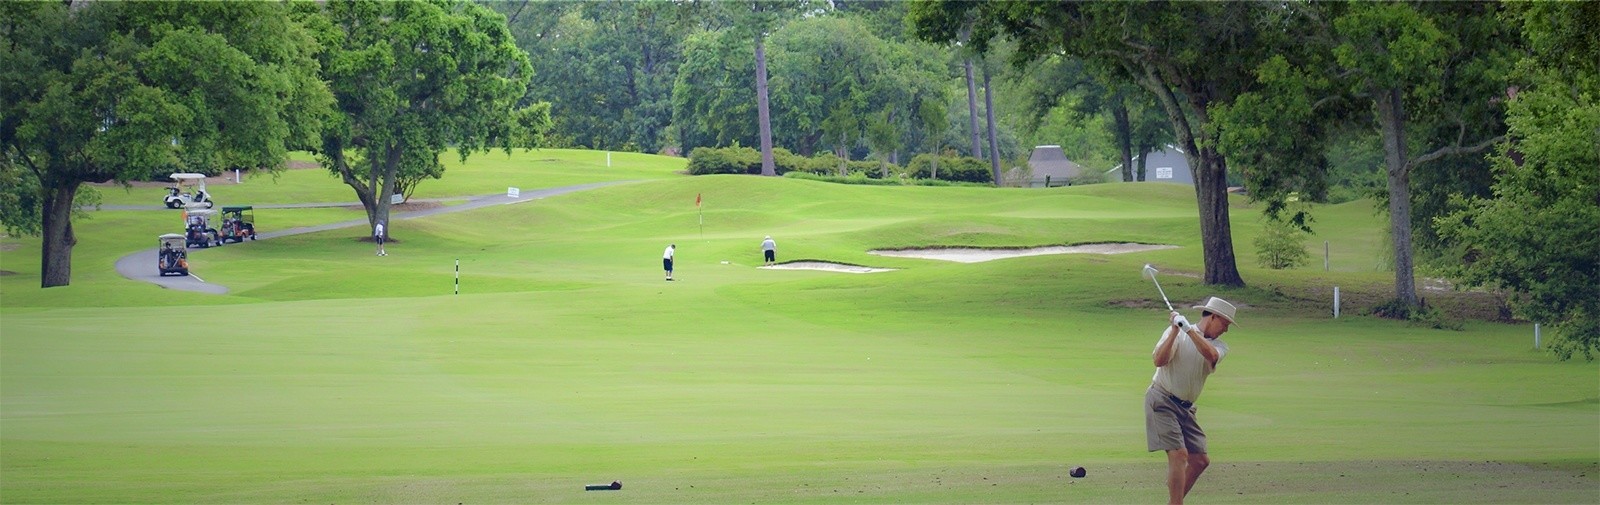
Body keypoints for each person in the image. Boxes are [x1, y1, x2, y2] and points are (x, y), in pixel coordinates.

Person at [1146, 296, 1236, 505]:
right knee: (1179, 454)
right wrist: (1176, 332)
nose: (1226, 329)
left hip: (1186, 409)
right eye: (1225, 323)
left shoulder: (1220, 347)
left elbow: (1210, 355)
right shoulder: (1174, 332)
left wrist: (1188, 330)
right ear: (1213, 317)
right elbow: (1159, 361)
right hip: (1162, 400)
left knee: (1200, 460)